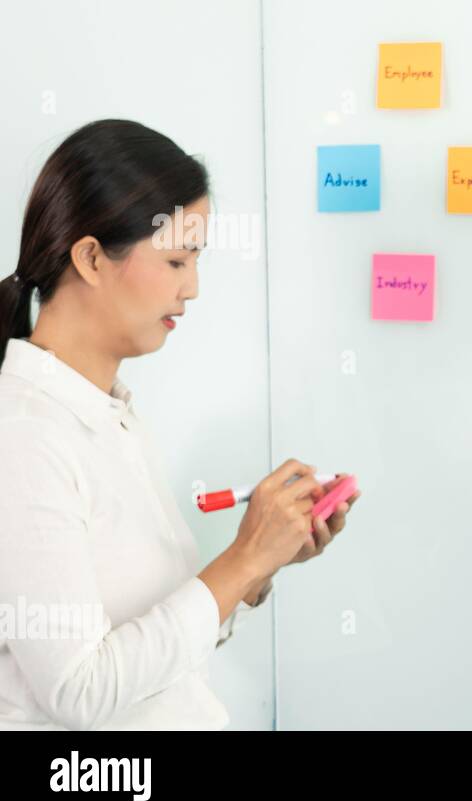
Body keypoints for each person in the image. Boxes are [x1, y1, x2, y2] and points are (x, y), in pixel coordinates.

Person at [0, 119, 360, 729]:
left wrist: (261, 562)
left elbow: (156, 651)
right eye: (175, 260)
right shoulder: (26, 435)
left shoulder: (108, 412)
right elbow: (81, 692)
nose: (191, 289)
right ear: (90, 257)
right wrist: (241, 560)